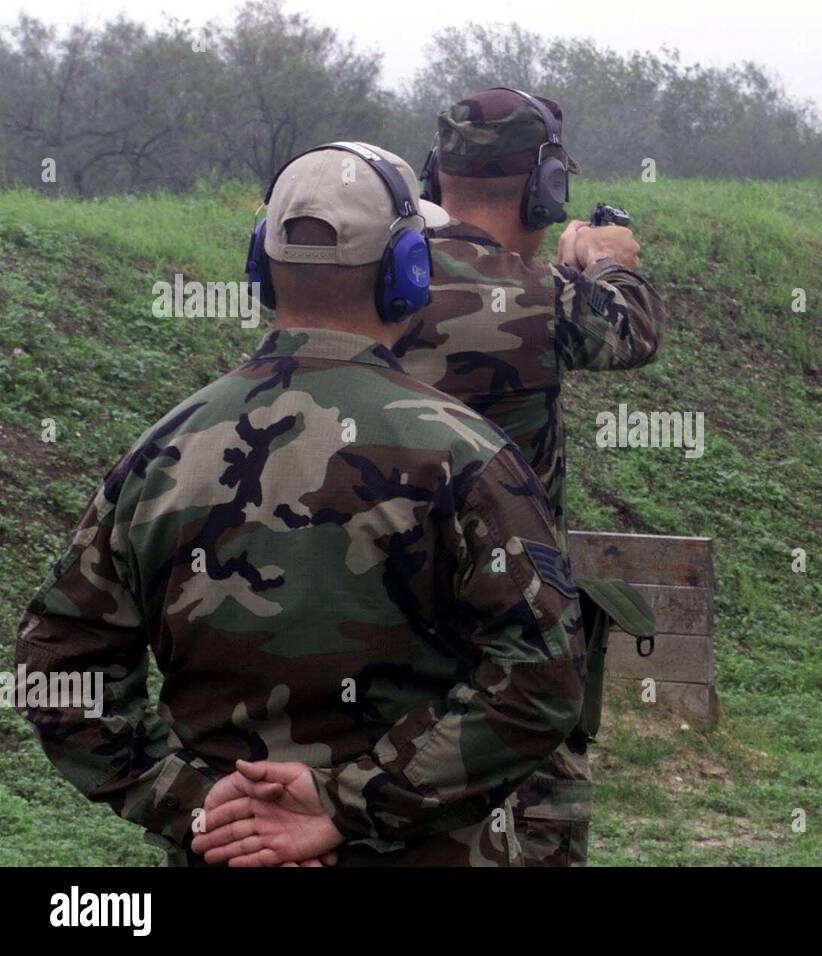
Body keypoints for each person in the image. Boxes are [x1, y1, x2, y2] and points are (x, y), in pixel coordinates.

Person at [14, 142, 585, 867]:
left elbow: (57, 665)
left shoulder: (162, 455)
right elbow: (541, 681)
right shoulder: (469, 456)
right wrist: (351, 805)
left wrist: (198, 806)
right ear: (410, 270)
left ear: (259, 264)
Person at [393, 88, 665, 866]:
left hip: (369, 646)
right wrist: (608, 263)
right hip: (509, 653)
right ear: (546, 186)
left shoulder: (367, 286)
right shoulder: (548, 300)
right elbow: (633, 331)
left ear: (434, 176)